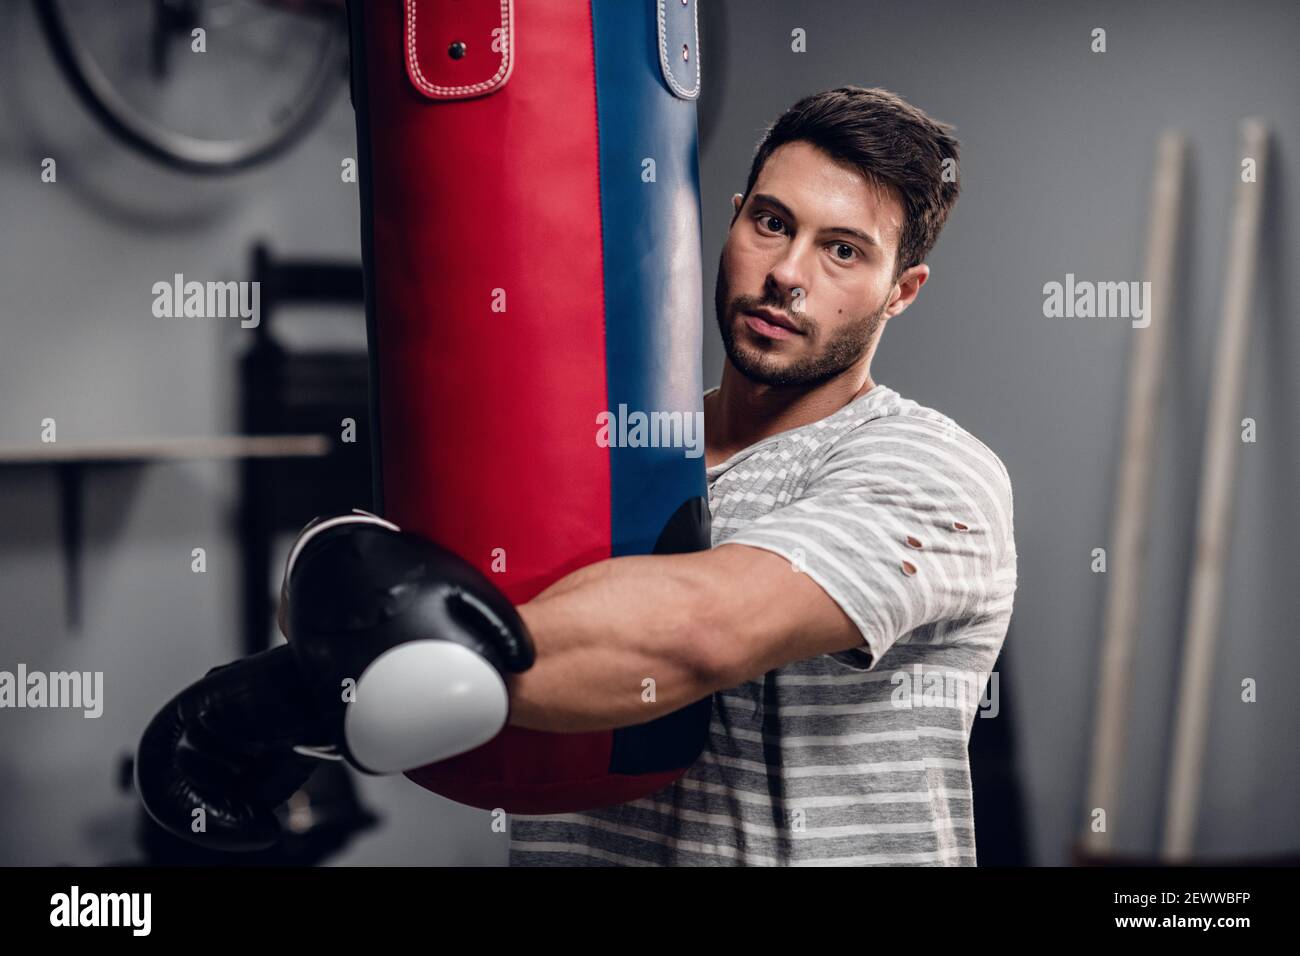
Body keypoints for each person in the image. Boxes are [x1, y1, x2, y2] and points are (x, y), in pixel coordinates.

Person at [503, 86, 1016, 865]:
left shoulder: (932, 468)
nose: (787, 273)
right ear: (736, 216)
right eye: (772, 224)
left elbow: (698, 634)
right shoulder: (598, 446)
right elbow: (385, 572)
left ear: (901, 292)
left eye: (843, 250)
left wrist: (368, 666)